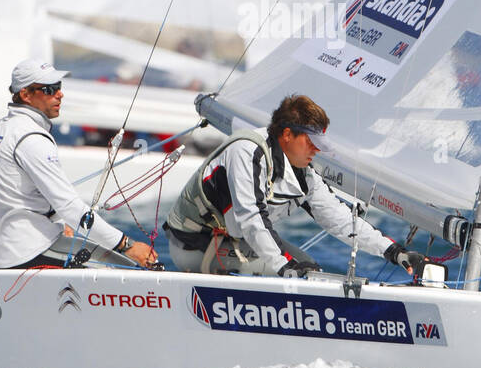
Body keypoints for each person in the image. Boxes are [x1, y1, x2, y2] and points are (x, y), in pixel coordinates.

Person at [164, 94, 426, 277]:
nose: (316, 150)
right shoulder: (247, 150)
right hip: (195, 245)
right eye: (310, 141)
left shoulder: (304, 174)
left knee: (309, 270)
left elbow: (340, 219)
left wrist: (393, 251)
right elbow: (251, 218)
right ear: (287, 135)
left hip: (232, 243)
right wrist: (284, 267)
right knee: (306, 276)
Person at [0, 58, 157, 269]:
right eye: (49, 89)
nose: (59, 94)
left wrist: (61, 222)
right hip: (28, 251)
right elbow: (70, 207)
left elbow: (23, 193)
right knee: (135, 267)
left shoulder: (0, 129)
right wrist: (127, 245)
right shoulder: (31, 138)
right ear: (25, 95)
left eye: (59, 86)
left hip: (8, 248)